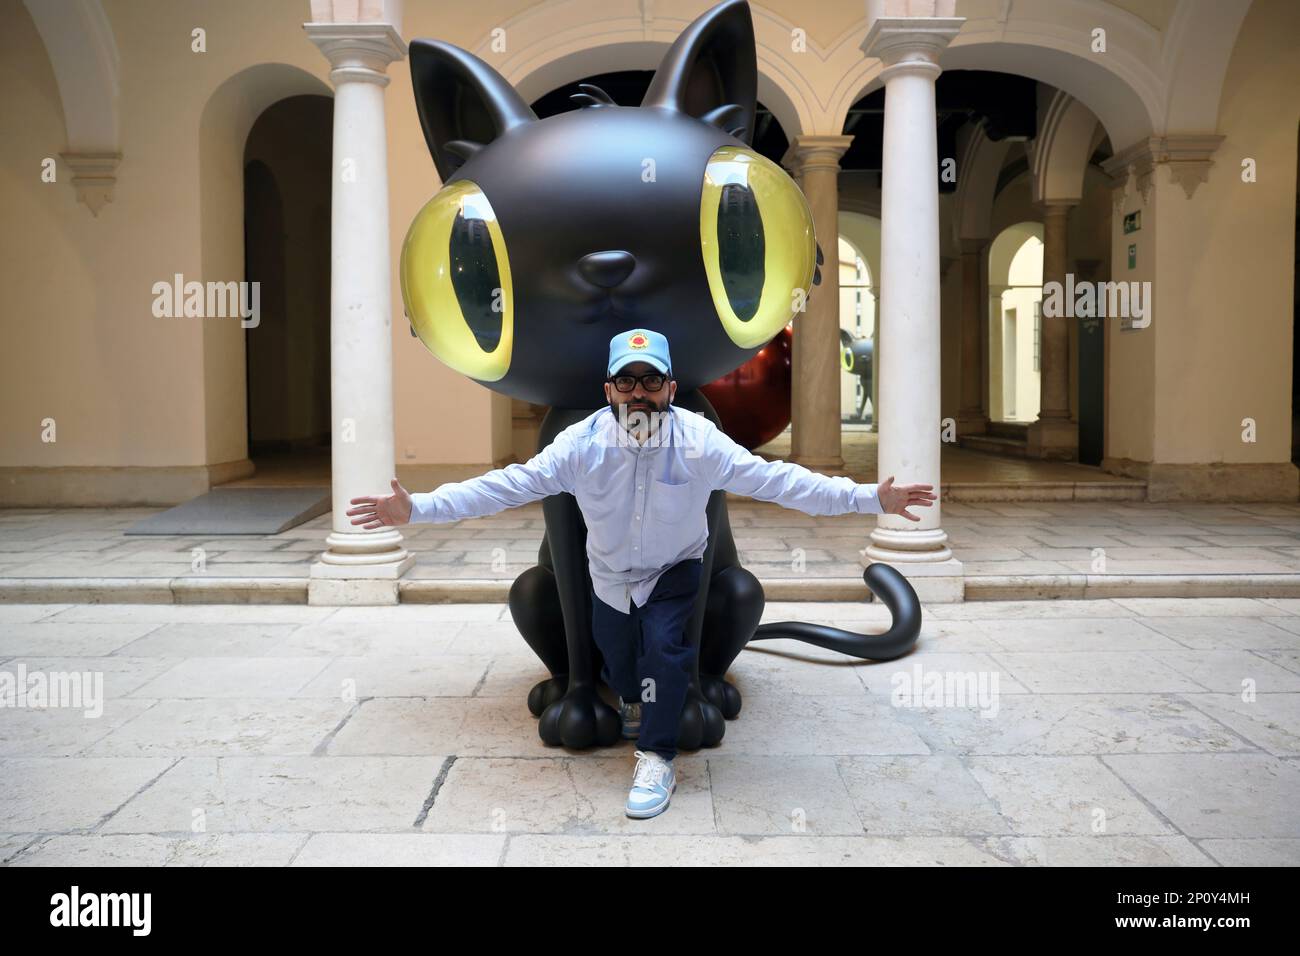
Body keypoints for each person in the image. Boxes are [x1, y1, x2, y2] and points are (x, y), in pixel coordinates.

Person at [346, 327, 936, 819]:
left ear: (671, 389)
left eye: (651, 381)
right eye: (627, 382)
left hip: (675, 571)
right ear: (609, 391)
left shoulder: (701, 442)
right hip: (607, 578)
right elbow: (503, 486)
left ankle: (656, 760)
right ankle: (637, 699)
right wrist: (416, 509)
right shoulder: (579, 445)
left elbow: (785, 483)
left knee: (665, 650)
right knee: (622, 665)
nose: (639, 394)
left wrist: (870, 499)